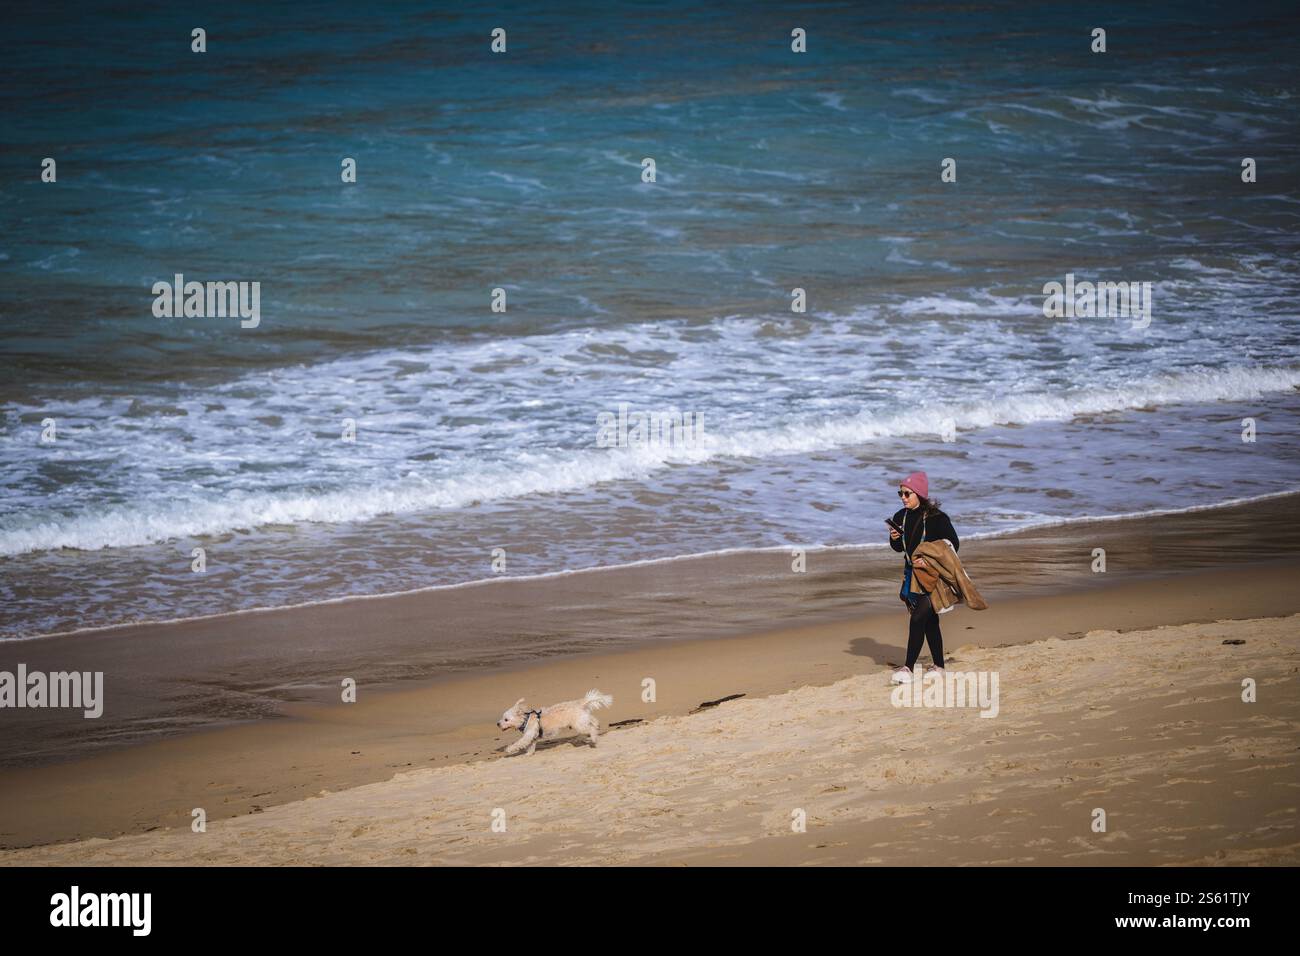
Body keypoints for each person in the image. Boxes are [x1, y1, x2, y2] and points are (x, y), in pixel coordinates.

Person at [887, 470, 960, 684]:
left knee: (918, 618)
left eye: (907, 494)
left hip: (934, 576)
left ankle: (908, 668)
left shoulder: (937, 519)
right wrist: (894, 538)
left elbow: (953, 544)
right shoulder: (901, 516)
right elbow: (899, 548)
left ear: (919, 494)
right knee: (929, 622)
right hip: (912, 575)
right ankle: (939, 666)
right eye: (900, 493)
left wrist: (929, 560)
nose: (903, 497)